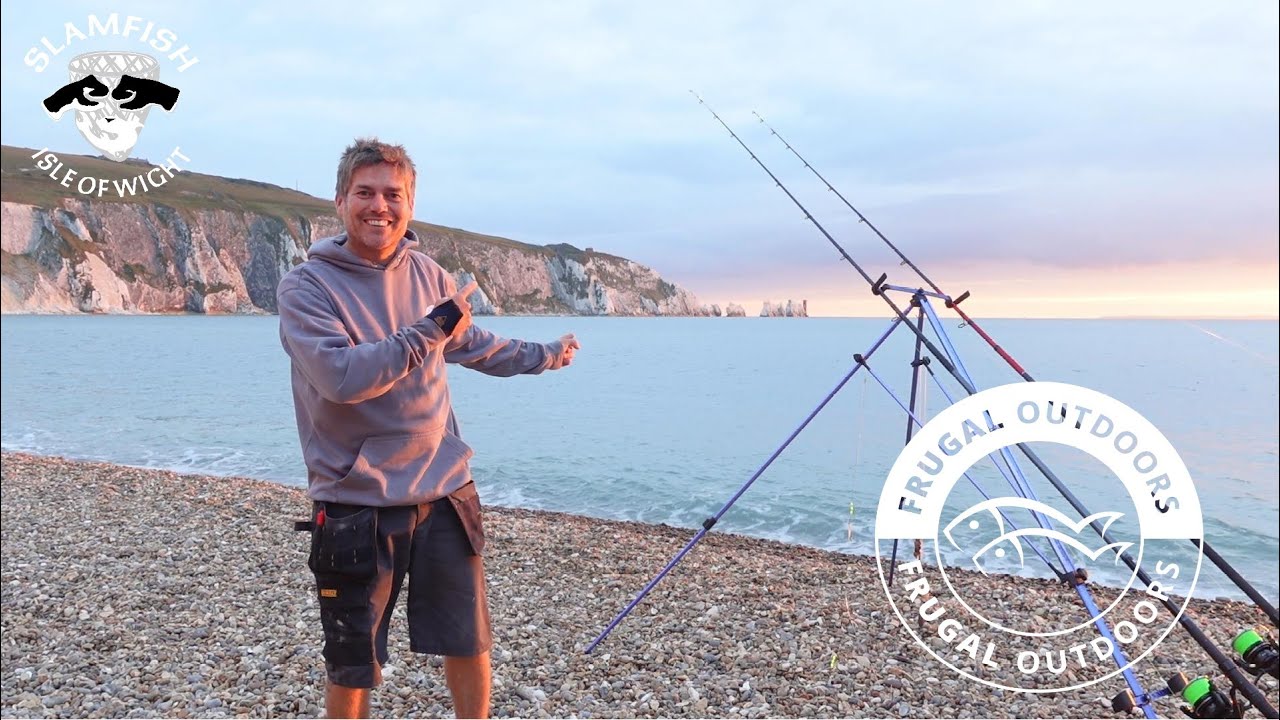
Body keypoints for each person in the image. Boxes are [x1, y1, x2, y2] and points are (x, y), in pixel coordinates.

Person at [277, 137, 580, 719]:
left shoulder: (429, 273)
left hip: (444, 490)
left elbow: (472, 343)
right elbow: (342, 377)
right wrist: (430, 328)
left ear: (410, 204)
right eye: (365, 193)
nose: (379, 207)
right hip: (355, 500)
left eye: (393, 194)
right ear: (340, 200)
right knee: (354, 662)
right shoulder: (306, 288)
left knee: (469, 640)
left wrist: (544, 354)